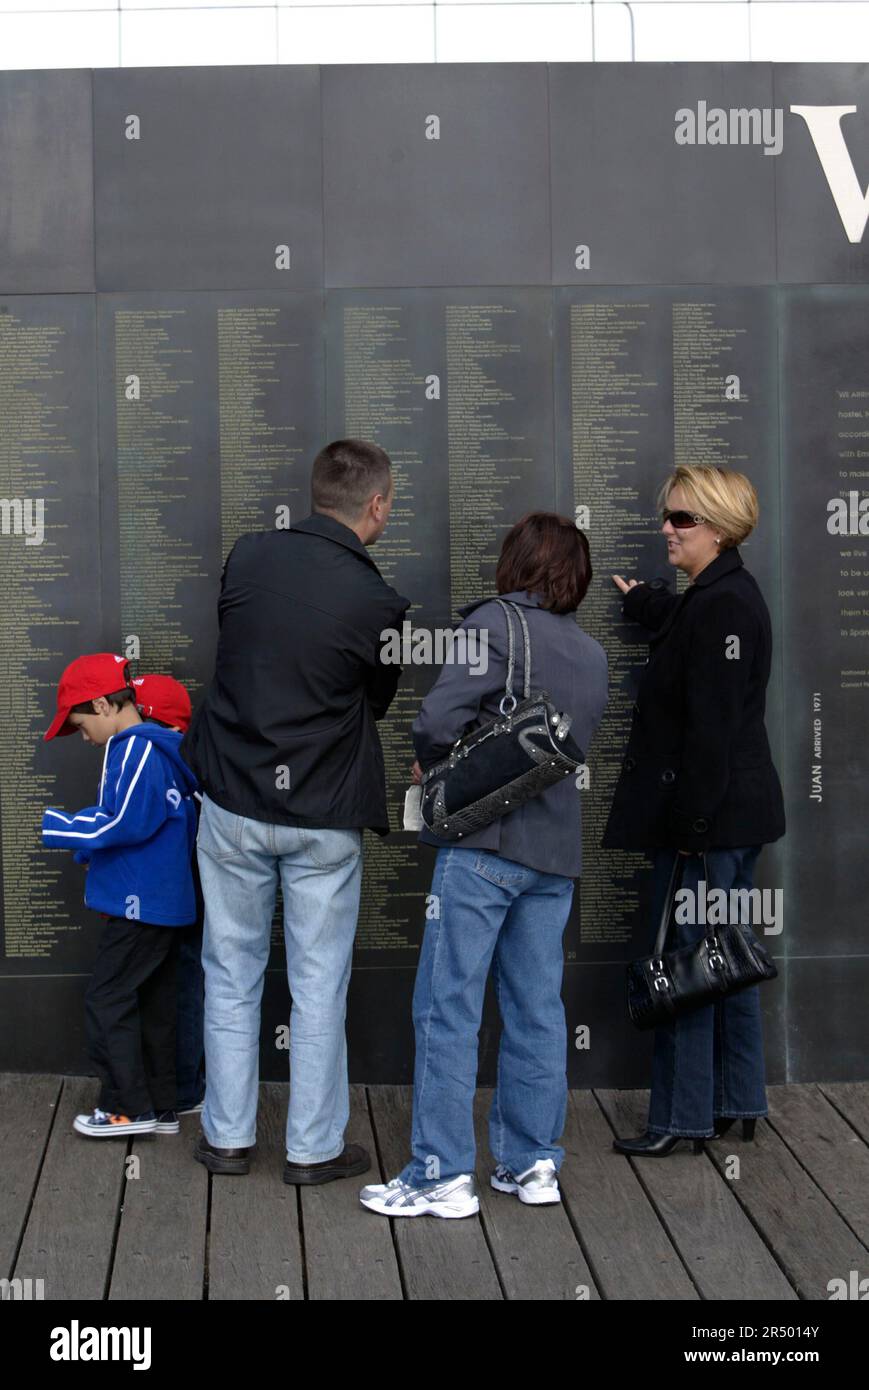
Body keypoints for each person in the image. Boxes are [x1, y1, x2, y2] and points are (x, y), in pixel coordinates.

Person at [360, 512, 609, 1219]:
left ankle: (439, 1173)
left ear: (515, 563)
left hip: (484, 847)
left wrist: (434, 761)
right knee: (536, 1010)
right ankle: (532, 1165)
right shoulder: (592, 654)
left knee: (448, 1008)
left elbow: (437, 721)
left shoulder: (492, 625)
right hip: (553, 856)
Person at [181, 439, 410, 1181]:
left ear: (316, 494)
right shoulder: (380, 604)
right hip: (321, 813)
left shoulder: (248, 556)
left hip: (233, 799)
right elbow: (376, 702)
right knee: (317, 985)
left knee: (229, 969)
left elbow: (242, 647)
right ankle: (312, 1151)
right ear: (374, 507)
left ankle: (227, 1139)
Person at [603, 465, 785, 1156]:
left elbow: (709, 730)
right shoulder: (716, 596)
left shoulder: (723, 606)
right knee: (726, 959)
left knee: (684, 967)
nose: (666, 530)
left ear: (717, 527)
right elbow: (695, 635)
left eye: (681, 519)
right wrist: (653, 606)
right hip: (731, 821)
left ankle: (680, 1119)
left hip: (709, 827)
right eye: (667, 517)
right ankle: (738, 1098)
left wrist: (688, 832)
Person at [41, 653, 199, 1137]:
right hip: (161, 904)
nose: (84, 737)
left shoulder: (134, 748)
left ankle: (124, 1109)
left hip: (138, 905)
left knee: (107, 999)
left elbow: (124, 820)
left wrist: (59, 827)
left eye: (81, 723)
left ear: (107, 705)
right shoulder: (165, 750)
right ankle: (162, 1104)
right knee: (152, 1001)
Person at [133, 673, 206, 1117]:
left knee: (175, 987)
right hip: (193, 892)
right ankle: (184, 1087)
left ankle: (180, 1090)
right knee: (188, 983)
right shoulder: (191, 759)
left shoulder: (153, 759)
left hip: (169, 896)